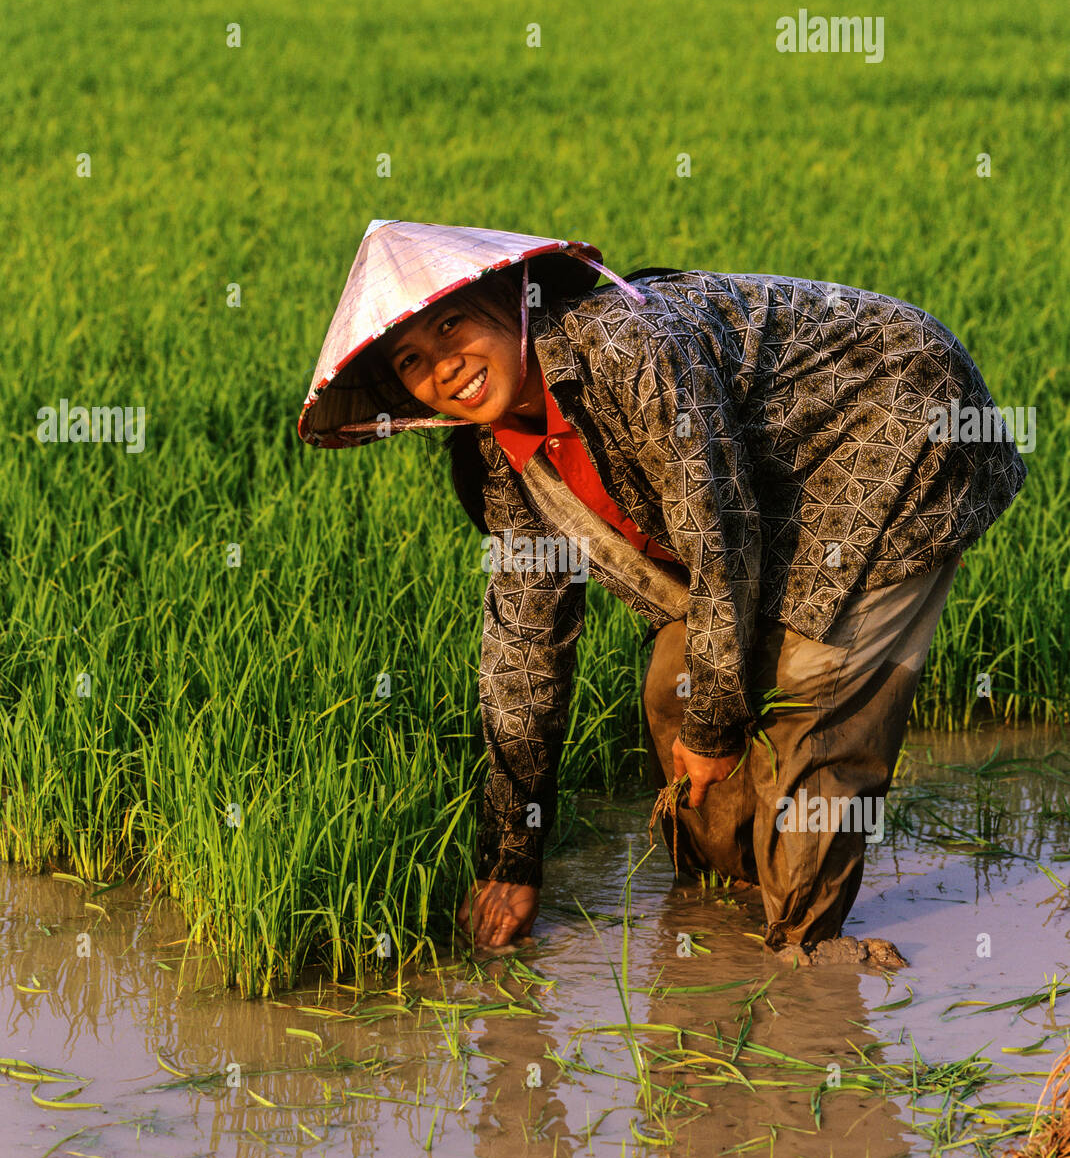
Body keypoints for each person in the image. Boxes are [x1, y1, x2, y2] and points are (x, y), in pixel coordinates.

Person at [298, 220, 1027, 965]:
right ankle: (722, 912)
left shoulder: (626, 345)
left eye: (452, 326)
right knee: (674, 690)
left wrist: (715, 735)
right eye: (414, 360)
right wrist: (511, 859)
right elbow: (523, 652)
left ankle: (805, 960)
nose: (444, 367)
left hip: (899, 416)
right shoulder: (503, 458)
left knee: (815, 689)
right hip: (765, 488)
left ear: (514, 301)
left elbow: (721, 543)